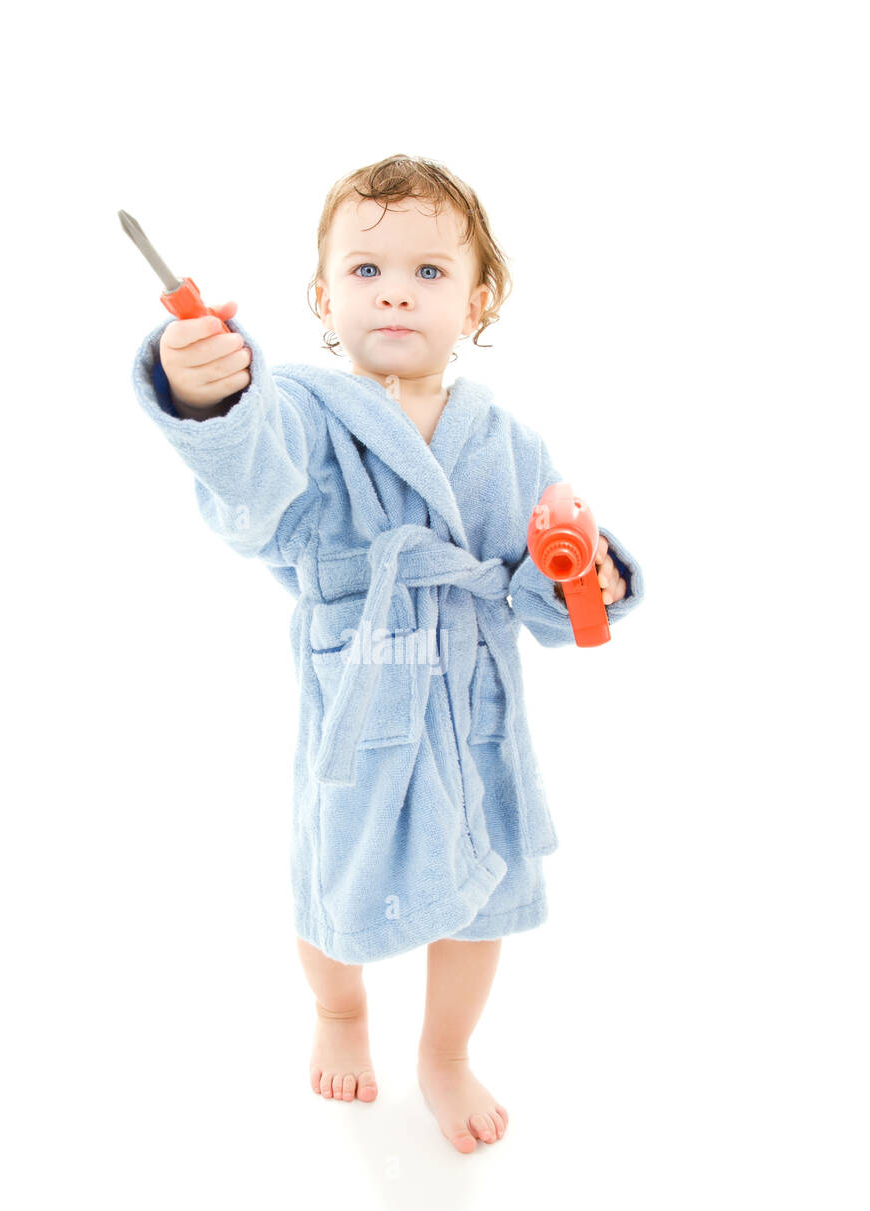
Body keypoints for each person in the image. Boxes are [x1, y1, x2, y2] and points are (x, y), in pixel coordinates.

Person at [131, 154, 644, 1154]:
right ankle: (339, 1010)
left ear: (477, 302)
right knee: (337, 872)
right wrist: (208, 396)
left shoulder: (508, 442)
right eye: (366, 270)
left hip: (477, 703)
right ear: (324, 299)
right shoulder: (305, 412)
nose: (395, 291)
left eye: (429, 271)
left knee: (482, 895)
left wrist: (590, 577)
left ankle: (444, 1053)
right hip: (364, 690)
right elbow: (248, 477)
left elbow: (545, 567)